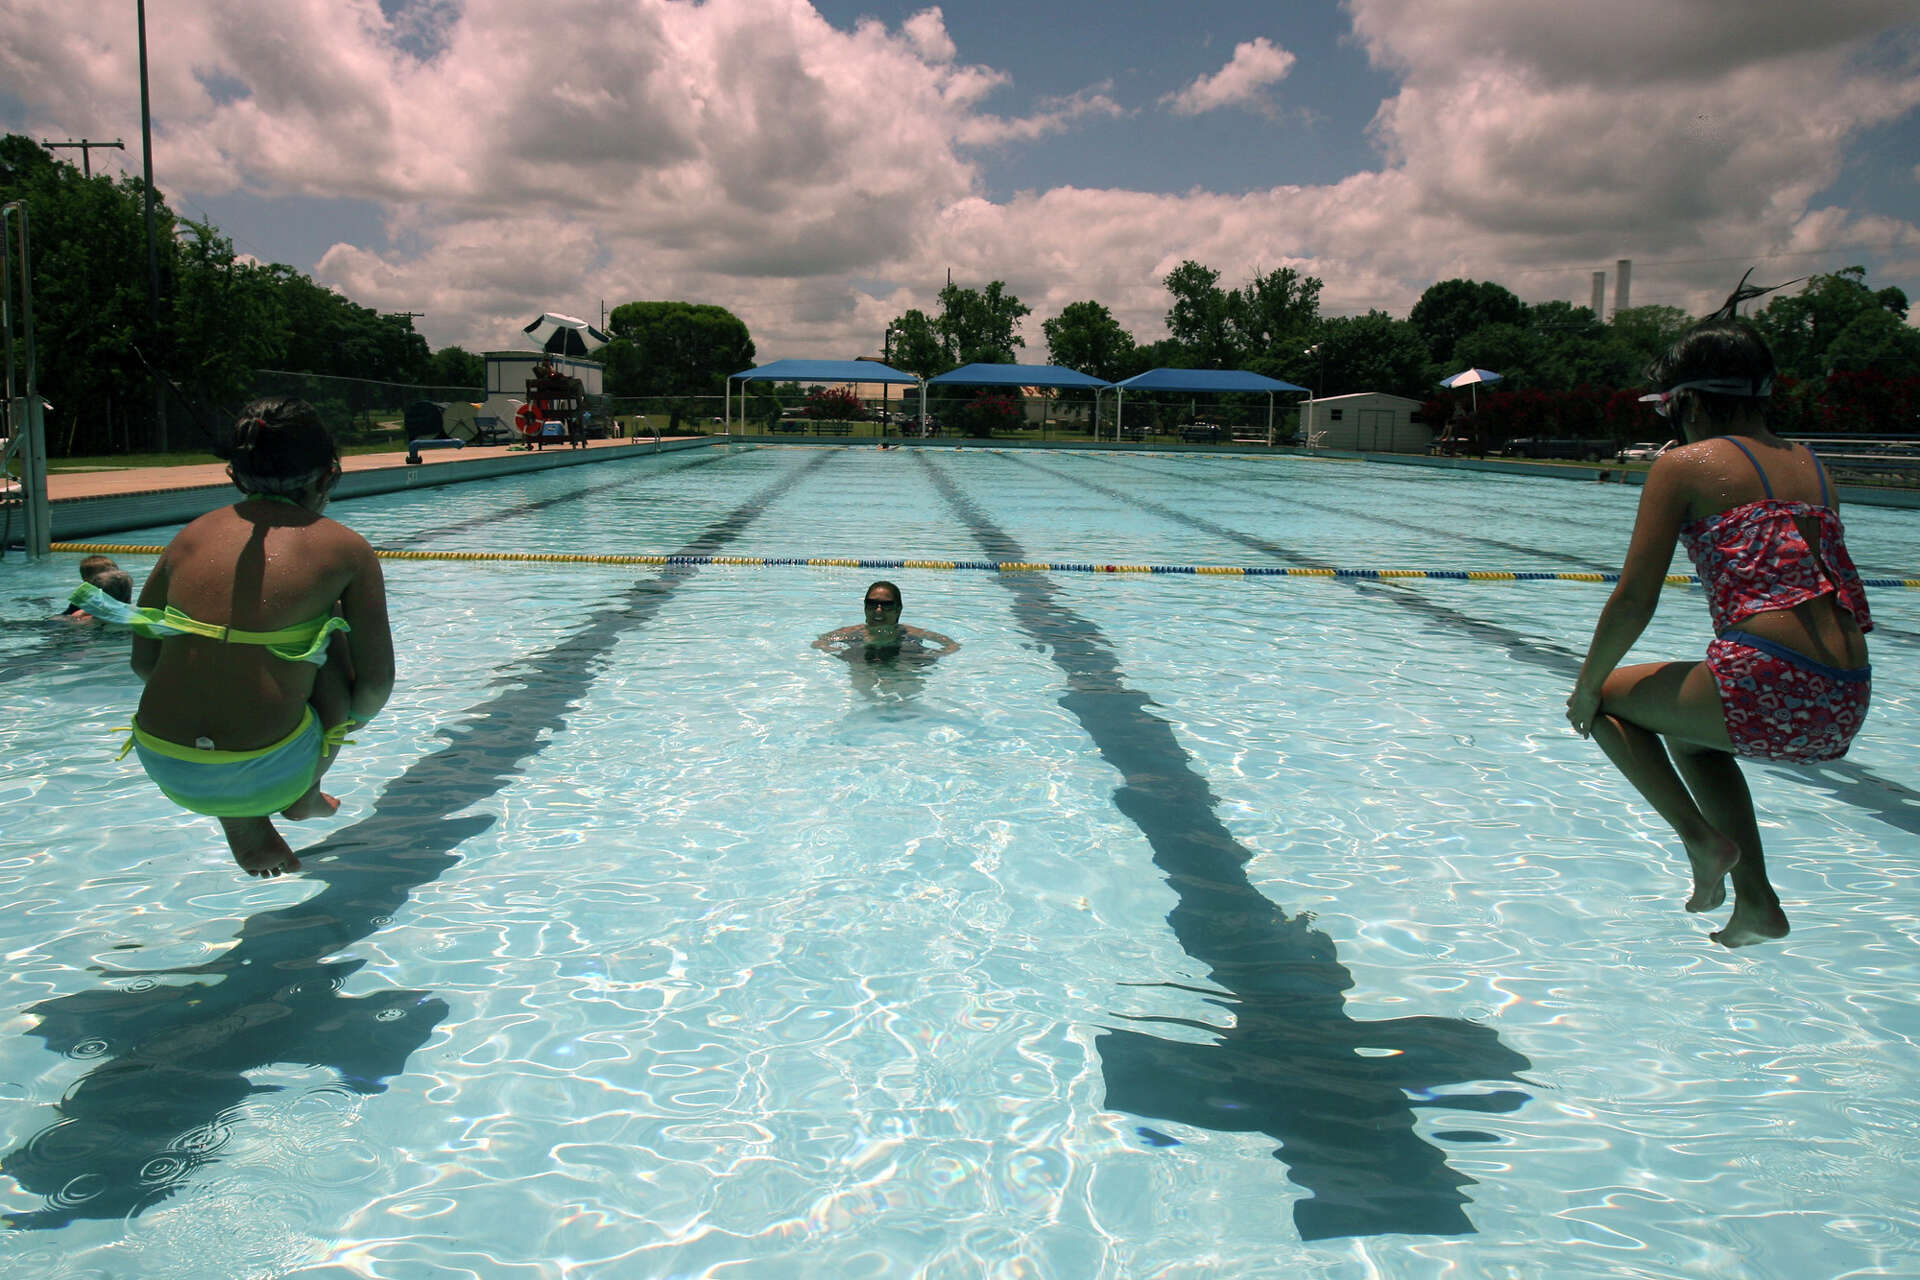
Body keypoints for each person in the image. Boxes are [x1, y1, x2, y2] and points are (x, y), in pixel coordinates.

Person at [1566, 278, 1869, 947]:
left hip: (1772, 682)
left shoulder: (1683, 465)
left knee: (1611, 704)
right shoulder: (1815, 466)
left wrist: (1587, 683)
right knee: (1691, 739)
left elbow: (1634, 599)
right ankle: (1756, 902)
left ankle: (1702, 842)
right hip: (1847, 700)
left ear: (1689, 403)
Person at [73, 399, 394, 877]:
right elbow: (374, 683)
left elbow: (145, 662)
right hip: (273, 767)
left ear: (235, 474)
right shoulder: (348, 549)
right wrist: (344, 727)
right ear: (328, 475)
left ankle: (241, 817)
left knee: (222, 658)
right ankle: (301, 792)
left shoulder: (191, 535)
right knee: (331, 627)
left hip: (164, 758)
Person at [813, 581, 958, 663]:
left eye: (886, 605)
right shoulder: (851, 632)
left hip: (905, 665)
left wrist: (932, 655)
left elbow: (952, 646)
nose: (878, 610)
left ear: (898, 609)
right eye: (872, 604)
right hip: (864, 666)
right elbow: (819, 643)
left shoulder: (912, 633)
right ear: (865, 607)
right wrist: (839, 653)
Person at [58, 555, 134, 625]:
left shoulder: (120, 589)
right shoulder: (83, 602)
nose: (114, 575)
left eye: (114, 571)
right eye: (106, 572)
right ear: (86, 579)